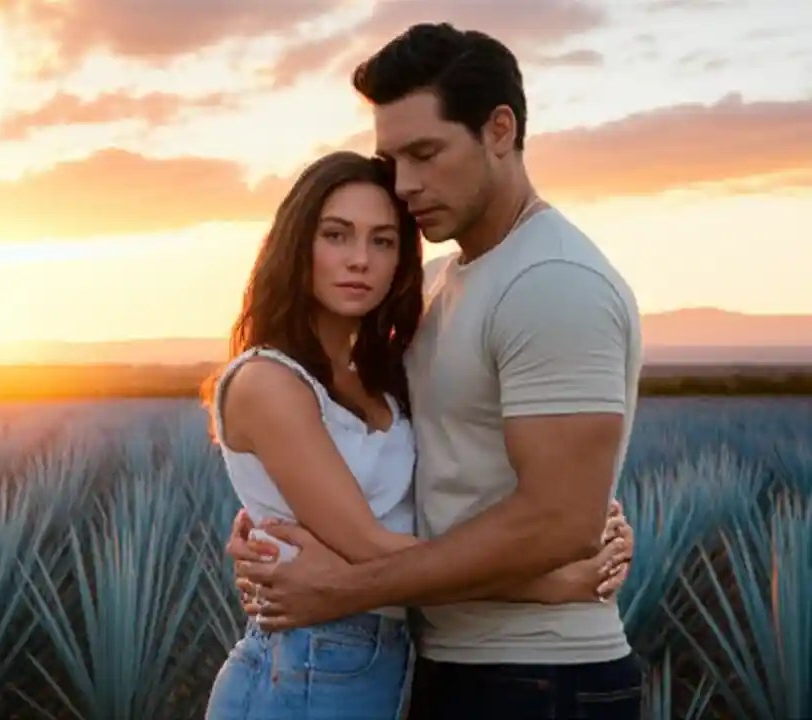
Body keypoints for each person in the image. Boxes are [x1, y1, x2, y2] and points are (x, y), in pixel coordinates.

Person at [228, 22, 646, 719]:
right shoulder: (438, 283)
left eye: (426, 153)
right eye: (391, 160)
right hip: (443, 662)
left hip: (537, 675)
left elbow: (561, 524)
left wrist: (344, 589)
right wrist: (267, 525)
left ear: (500, 129)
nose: (406, 185)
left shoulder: (554, 280)